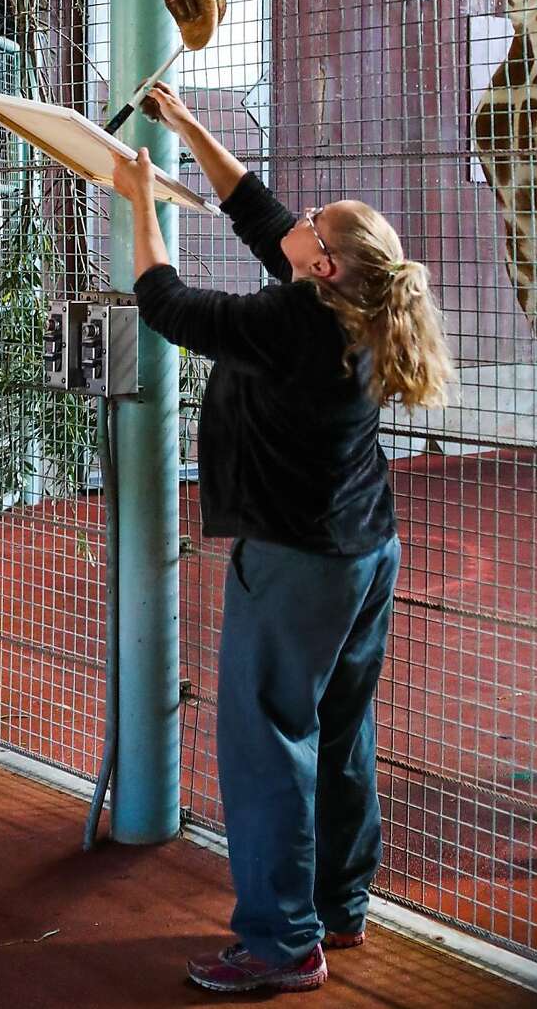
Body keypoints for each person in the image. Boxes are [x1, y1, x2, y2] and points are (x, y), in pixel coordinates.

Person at [111, 80, 454, 996]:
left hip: (297, 560)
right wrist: (187, 128)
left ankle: (279, 942)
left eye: (313, 225)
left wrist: (139, 198)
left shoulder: (293, 321)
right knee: (339, 732)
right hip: (364, 550)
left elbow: (169, 305)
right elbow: (260, 214)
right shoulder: (360, 308)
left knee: (267, 745)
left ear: (325, 265)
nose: (294, 222)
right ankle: (341, 905)